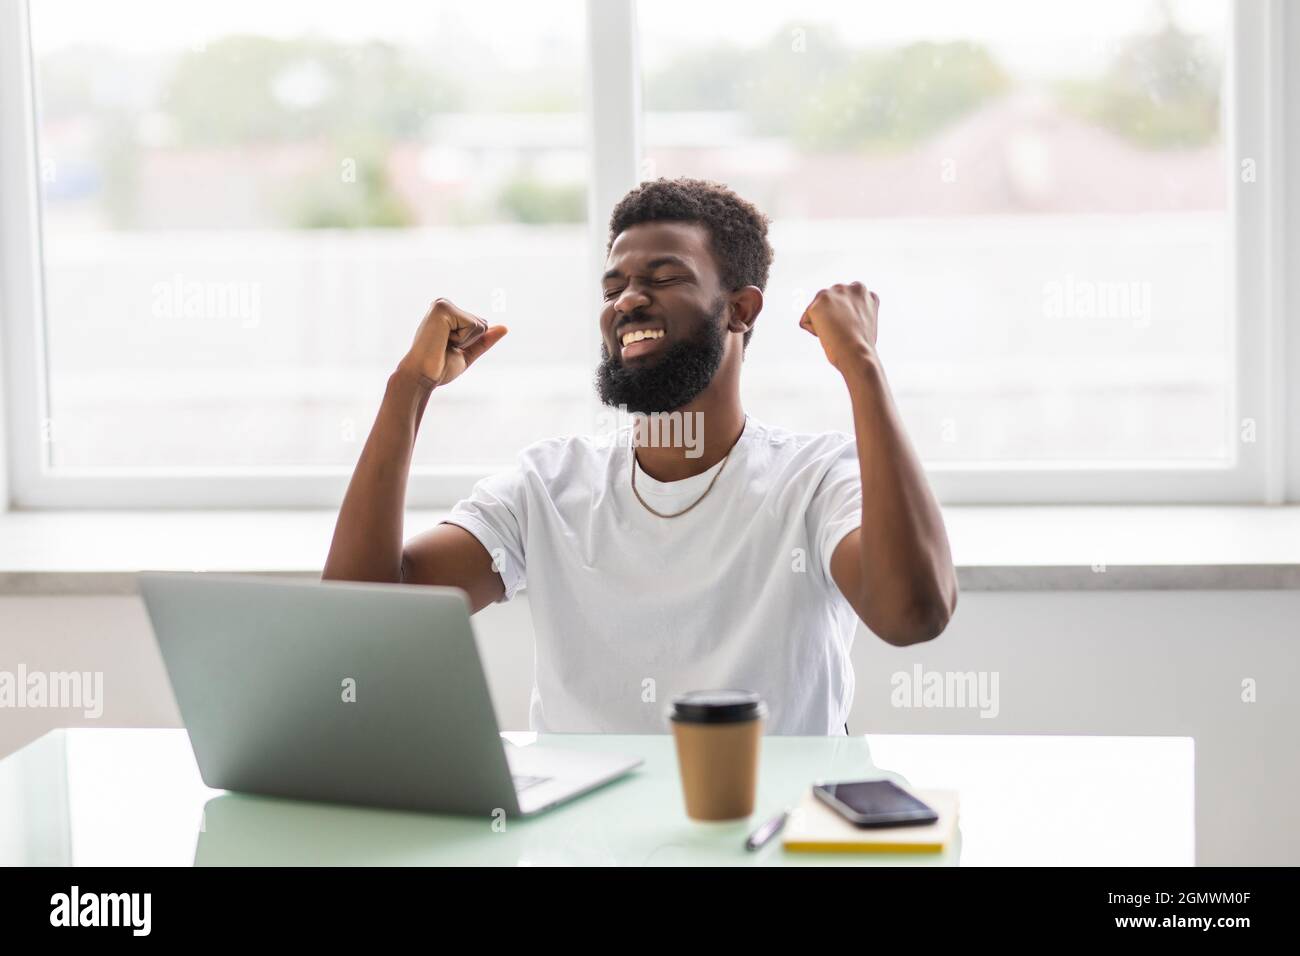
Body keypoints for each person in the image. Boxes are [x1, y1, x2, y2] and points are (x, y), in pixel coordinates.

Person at [324, 177, 957, 734]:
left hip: (771, 839)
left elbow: (912, 614)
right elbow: (364, 624)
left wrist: (862, 367)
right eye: (614, 287)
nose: (626, 300)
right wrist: (408, 391)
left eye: (663, 278)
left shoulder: (815, 479)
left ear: (740, 309)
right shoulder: (547, 485)